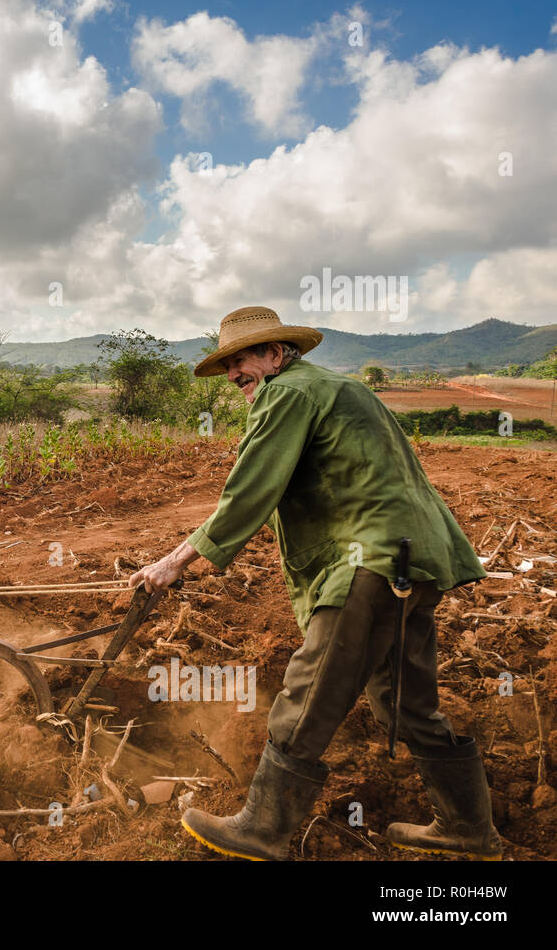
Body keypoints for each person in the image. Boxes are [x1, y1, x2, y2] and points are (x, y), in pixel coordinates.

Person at [127, 306, 500, 861]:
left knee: (310, 687)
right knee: (404, 701)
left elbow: (250, 490)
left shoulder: (288, 393)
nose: (233, 375)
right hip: (412, 561)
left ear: (276, 354)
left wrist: (176, 561)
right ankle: (468, 829)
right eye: (227, 365)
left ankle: (263, 828)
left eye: (242, 360)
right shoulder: (333, 388)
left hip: (369, 559)